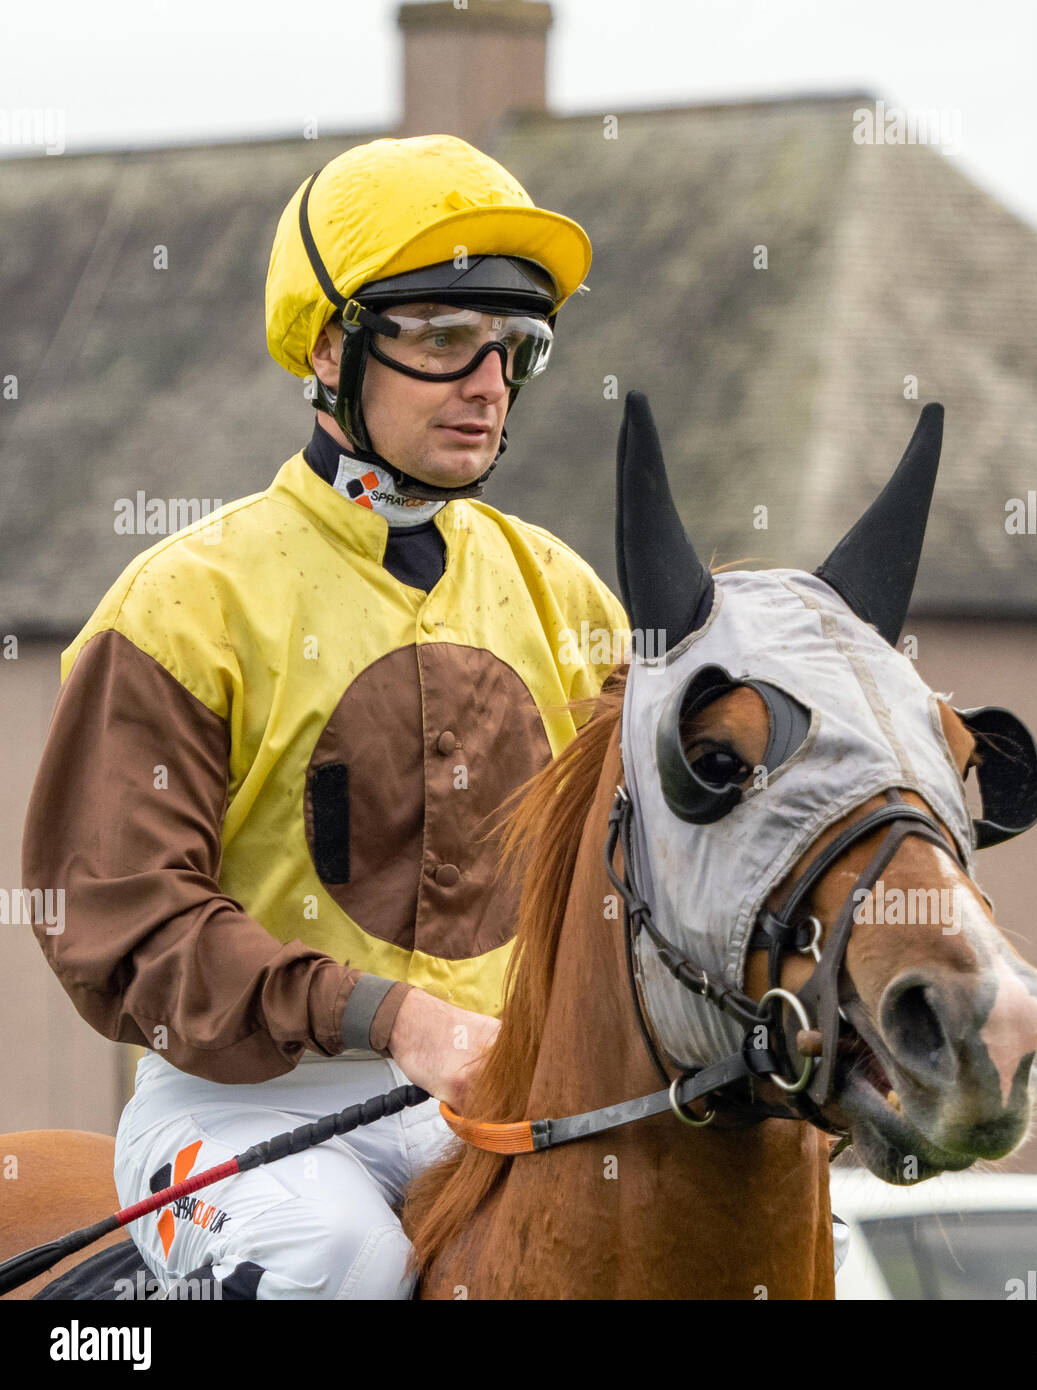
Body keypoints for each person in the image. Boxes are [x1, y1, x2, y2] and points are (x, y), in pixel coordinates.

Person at [22, 134, 628, 1299]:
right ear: (328, 345)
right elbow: (122, 919)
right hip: (242, 1109)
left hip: (498, 1099)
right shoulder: (181, 604)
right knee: (338, 1259)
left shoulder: (572, 602)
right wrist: (388, 1017)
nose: (488, 381)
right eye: (445, 337)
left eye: (514, 347)